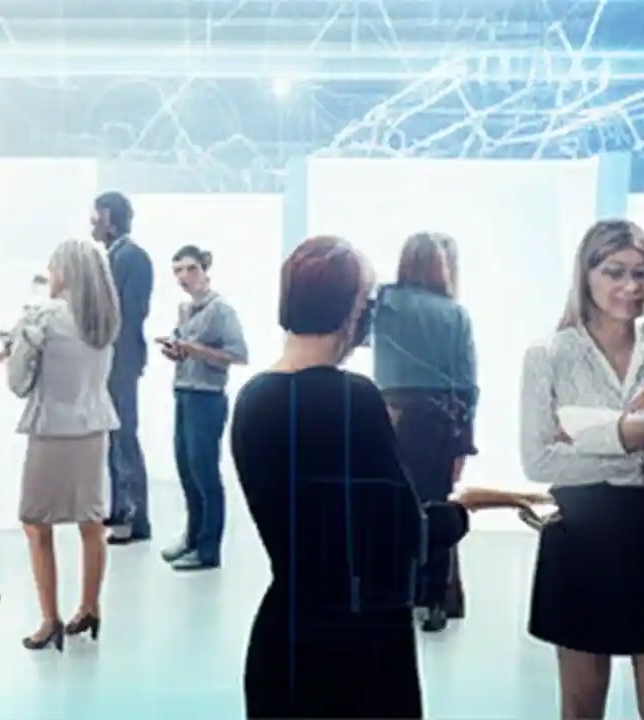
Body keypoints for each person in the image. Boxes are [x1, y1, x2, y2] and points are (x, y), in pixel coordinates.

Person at [233, 235, 548, 718]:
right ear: (351, 311)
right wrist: (473, 506)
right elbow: (404, 534)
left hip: (287, 636)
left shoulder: (254, 399)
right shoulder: (353, 399)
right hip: (359, 646)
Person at [519, 219, 644, 719]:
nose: (630, 287)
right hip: (579, 536)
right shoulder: (548, 355)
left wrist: (586, 435)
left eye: (641, 274)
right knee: (580, 709)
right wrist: (626, 432)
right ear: (587, 274)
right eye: (615, 272)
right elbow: (538, 460)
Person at [5, 237, 121, 651]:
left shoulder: (44, 316)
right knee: (91, 522)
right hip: (93, 426)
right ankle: (90, 607)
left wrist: (19, 344)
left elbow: (18, 383)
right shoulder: (104, 321)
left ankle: (49, 619)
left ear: (65, 272)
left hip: (51, 428)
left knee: (37, 522)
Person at [373, 232, 478, 631]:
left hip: (388, 413)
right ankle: (434, 599)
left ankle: (396, 589)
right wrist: (465, 442)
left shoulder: (383, 304)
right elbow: (468, 383)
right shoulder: (455, 314)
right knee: (434, 507)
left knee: (389, 505)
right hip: (438, 419)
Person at [157, 245, 247, 571]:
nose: (184, 277)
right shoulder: (185, 310)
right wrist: (177, 351)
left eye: (190, 269)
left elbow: (238, 354)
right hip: (183, 391)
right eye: (178, 270)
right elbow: (189, 350)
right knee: (186, 468)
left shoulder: (221, 310)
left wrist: (196, 349)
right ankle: (192, 536)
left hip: (207, 397)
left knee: (205, 471)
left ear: (206, 268)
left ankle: (209, 548)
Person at [91, 191, 153, 544]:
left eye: (97, 216)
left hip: (122, 360)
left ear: (111, 218)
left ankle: (135, 516)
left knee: (125, 434)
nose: (92, 224)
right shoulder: (112, 256)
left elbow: (130, 315)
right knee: (113, 434)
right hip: (110, 358)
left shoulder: (133, 257)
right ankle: (120, 506)